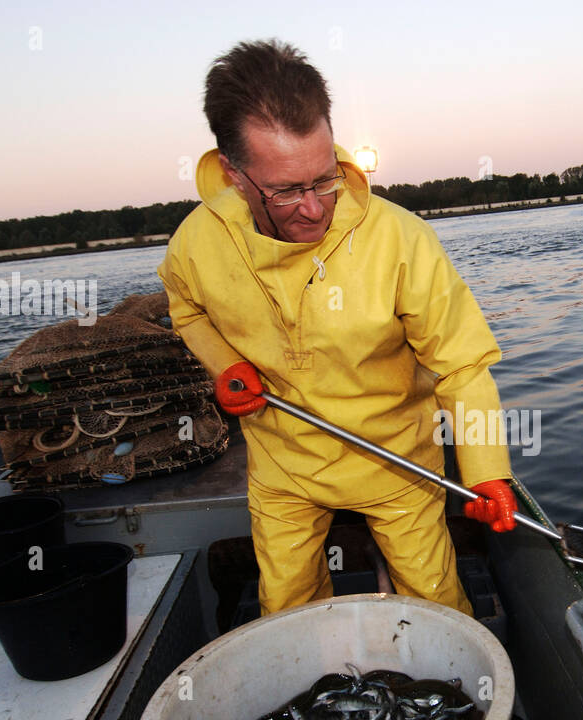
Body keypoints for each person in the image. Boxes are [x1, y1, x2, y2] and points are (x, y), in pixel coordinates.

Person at [157, 39, 518, 618]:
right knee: (286, 607)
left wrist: (487, 472)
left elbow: (462, 364)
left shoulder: (401, 239)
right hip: (283, 463)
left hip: (396, 460)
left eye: (325, 179)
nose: (314, 207)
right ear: (233, 174)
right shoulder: (195, 243)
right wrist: (226, 367)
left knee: (436, 604)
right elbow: (187, 309)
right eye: (286, 190)